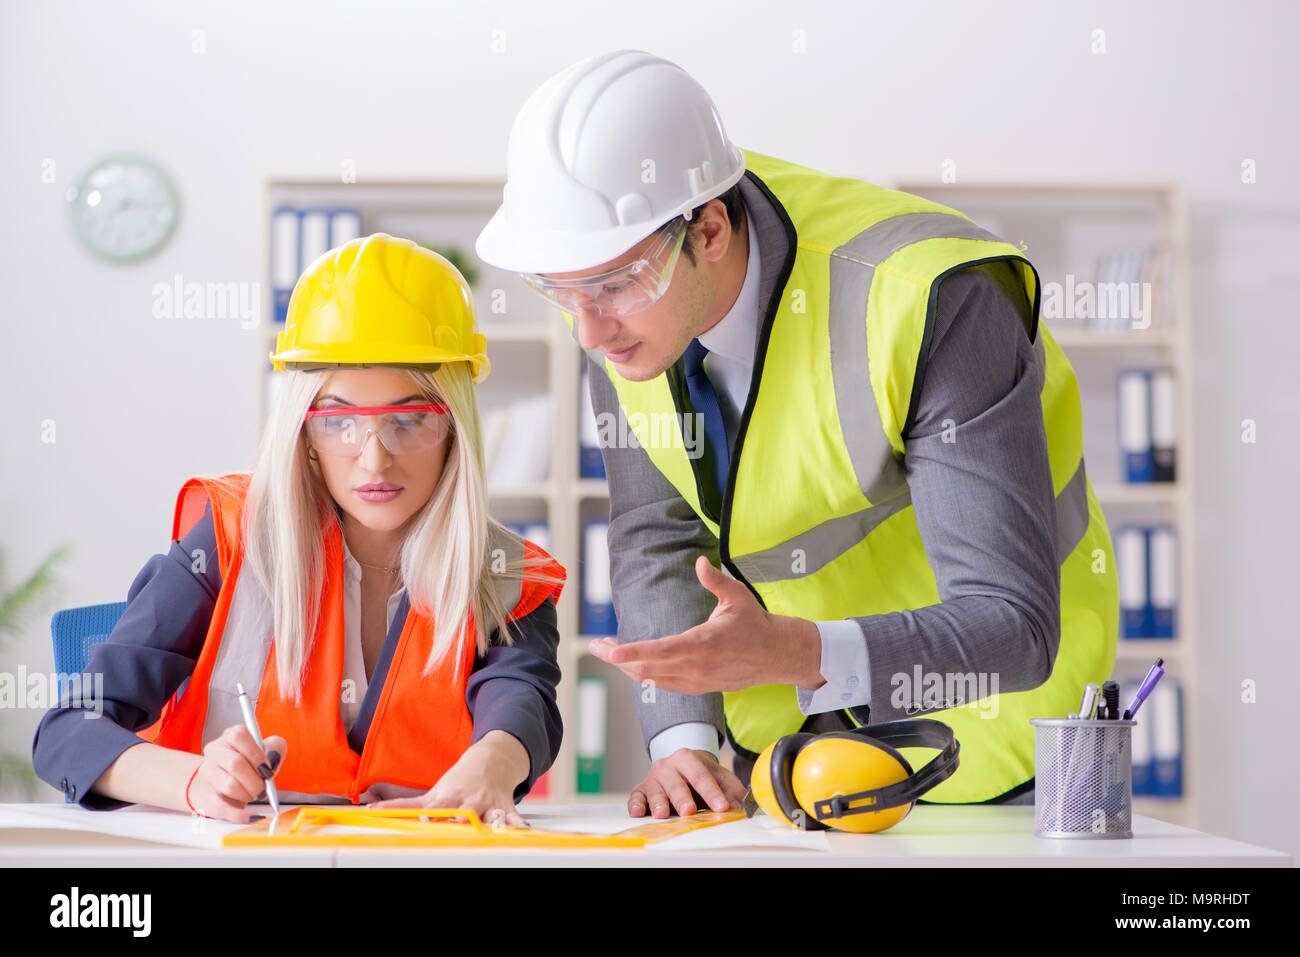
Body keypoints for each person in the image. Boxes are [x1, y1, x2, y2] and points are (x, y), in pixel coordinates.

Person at [475, 50, 1118, 818]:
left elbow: (1013, 622)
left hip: (997, 752)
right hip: (785, 769)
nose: (586, 330)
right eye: (559, 290)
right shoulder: (621, 303)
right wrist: (682, 743)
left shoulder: (933, 301)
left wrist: (802, 653)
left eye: (612, 285)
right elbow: (657, 530)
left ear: (709, 229)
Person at [33, 234, 566, 828]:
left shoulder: (507, 575)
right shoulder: (227, 540)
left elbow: (524, 700)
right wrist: (194, 781)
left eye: (411, 419)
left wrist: (495, 760)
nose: (374, 461)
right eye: (338, 420)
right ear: (303, 433)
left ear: (457, 429)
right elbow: (67, 731)